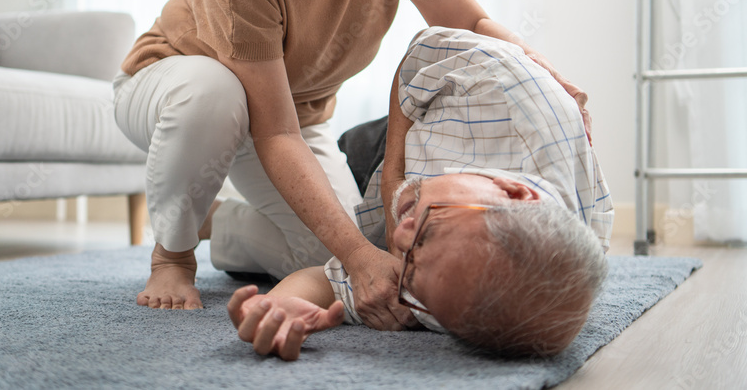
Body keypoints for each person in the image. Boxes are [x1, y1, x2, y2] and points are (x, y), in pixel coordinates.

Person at [112, 0, 592, 327]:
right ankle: (173, 253)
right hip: (175, 89)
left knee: (330, 261)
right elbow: (275, 134)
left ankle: (216, 221)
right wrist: (361, 258)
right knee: (217, 92)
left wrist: (543, 72)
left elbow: (473, 27)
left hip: (295, 117)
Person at [228, 27, 613, 359]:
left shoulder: (446, 300)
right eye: (428, 229)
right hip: (392, 141)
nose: (399, 237)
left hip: (421, 181)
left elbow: (327, 280)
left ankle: (220, 222)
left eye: (410, 267)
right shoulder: (506, 91)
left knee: (310, 251)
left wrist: (276, 307)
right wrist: (392, 176)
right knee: (335, 204)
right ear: (512, 191)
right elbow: (422, 52)